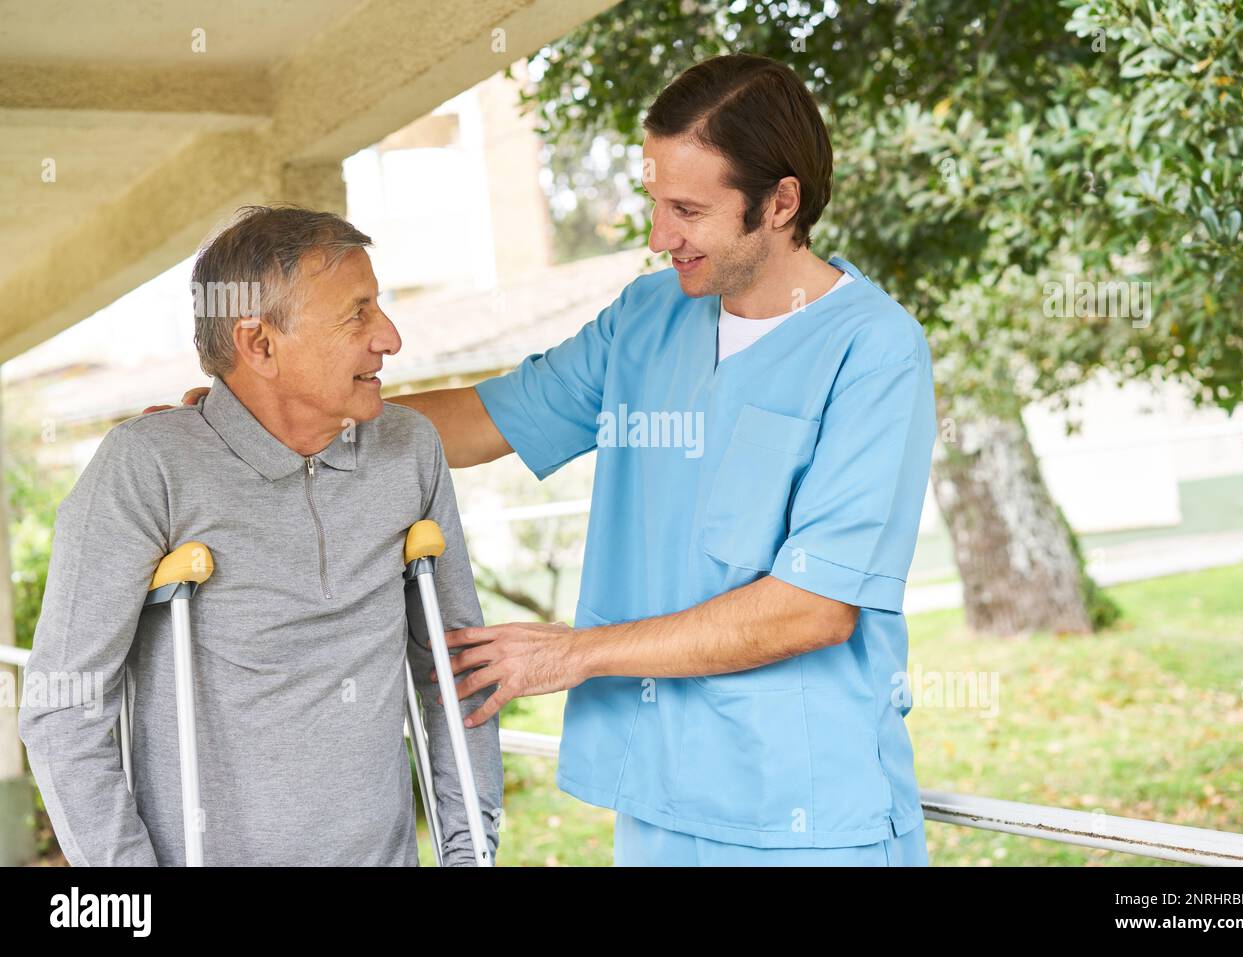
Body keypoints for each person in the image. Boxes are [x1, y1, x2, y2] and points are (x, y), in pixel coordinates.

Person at [158, 54, 937, 867]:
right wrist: (259, 414)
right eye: (656, 202)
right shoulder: (649, 317)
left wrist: (574, 653)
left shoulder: (872, 350)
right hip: (658, 801)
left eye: (688, 210)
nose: (658, 236)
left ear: (780, 203)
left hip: (808, 812)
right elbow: (479, 420)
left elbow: (814, 608)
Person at [21, 205, 502, 866]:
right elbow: (63, 709)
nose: (389, 337)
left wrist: (470, 854)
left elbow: (455, 669)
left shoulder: (409, 450)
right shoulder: (147, 467)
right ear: (260, 345)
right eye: (357, 313)